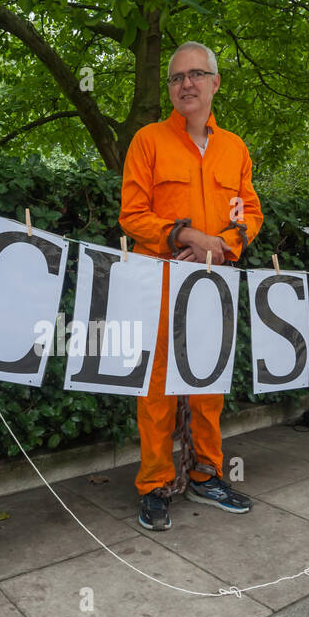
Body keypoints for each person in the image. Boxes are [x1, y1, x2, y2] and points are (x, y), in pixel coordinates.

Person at [119, 41, 262, 531]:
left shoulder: (235, 148)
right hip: (158, 280)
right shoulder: (148, 141)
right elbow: (133, 214)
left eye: (197, 75)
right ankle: (156, 484)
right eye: (178, 77)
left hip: (211, 282)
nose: (186, 84)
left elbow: (250, 212)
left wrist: (220, 245)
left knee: (206, 382)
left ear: (215, 83)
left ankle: (206, 474)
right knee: (156, 388)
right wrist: (184, 236)